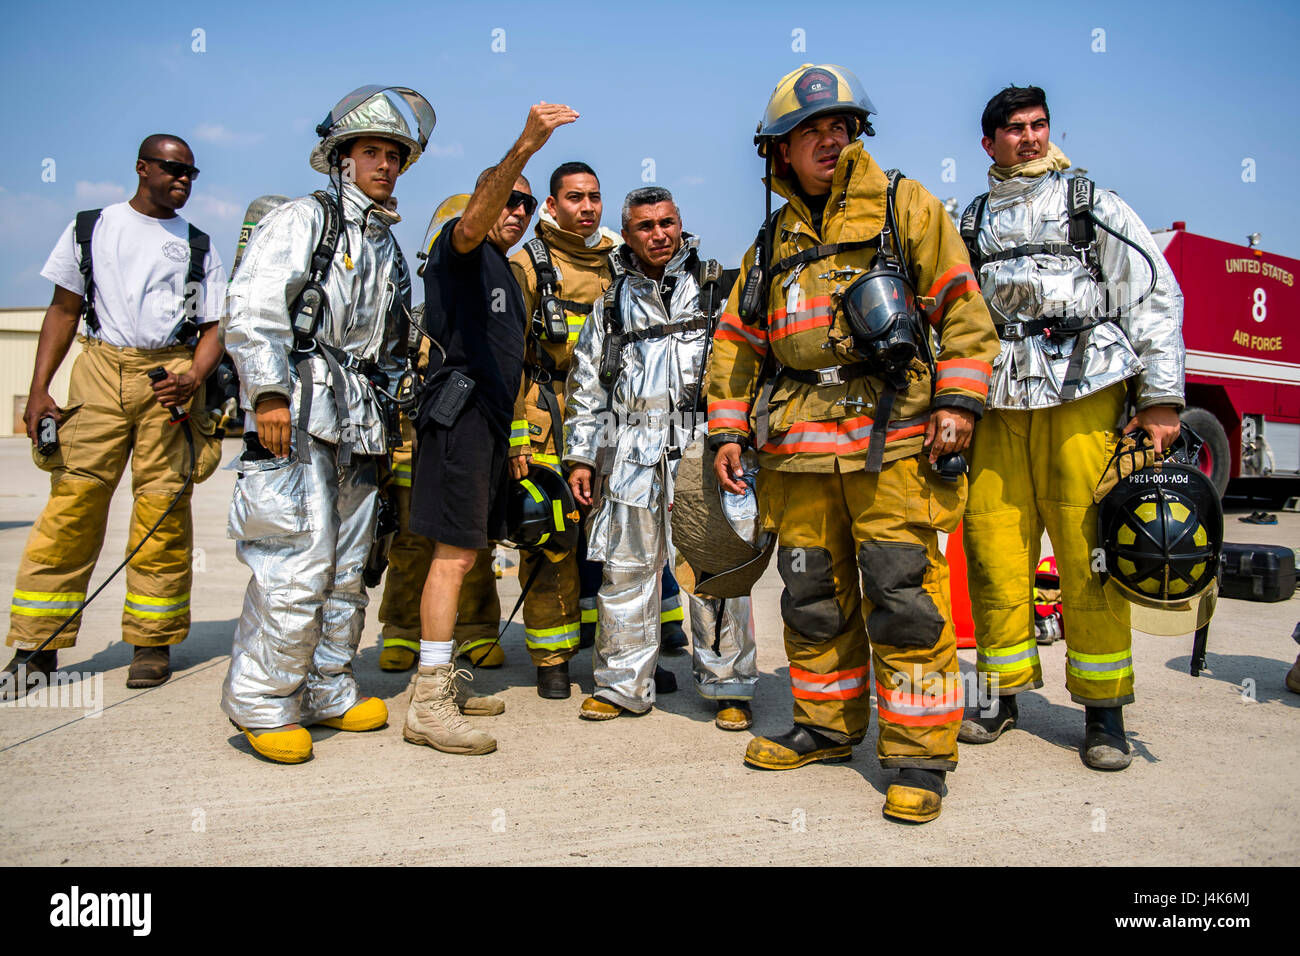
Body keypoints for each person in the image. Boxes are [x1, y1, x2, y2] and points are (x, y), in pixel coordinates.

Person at [707, 64, 999, 823]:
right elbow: (737, 340)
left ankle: (920, 754)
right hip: (799, 458)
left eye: (841, 127)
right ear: (778, 151)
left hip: (893, 445)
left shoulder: (904, 208)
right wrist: (728, 425)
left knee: (905, 602)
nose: (830, 140)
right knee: (810, 598)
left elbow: (964, 310)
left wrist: (959, 402)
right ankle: (825, 726)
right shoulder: (772, 240)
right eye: (812, 131)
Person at [957, 85, 1185, 770]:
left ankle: (1103, 712)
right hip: (997, 404)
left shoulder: (1093, 204)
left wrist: (1161, 399)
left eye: (1038, 125)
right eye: (1014, 129)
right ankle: (999, 697)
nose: (1028, 138)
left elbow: (1151, 293)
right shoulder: (967, 222)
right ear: (988, 142)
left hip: (1086, 391)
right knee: (993, 548)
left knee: (1092, 551)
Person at [221, 86, 433, 763]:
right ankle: (262, 701)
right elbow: (253, 309)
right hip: (302, 411)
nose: (385, 165)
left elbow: (395, 341)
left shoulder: (386, 245)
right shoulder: (302, 220)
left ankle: (328, 688)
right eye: (372, 152)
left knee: (346, 569)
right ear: (341, 158)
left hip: (362, 421)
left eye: (394, 155)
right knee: (295, 563)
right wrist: (269, 396)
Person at [4, 134, 226, 698]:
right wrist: (38, 391)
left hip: (168, 380)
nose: (183, 179)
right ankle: (36, 647)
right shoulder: (91, 228)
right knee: (73, 504)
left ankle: (151, 643)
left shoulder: (198, 245)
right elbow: (64, 308)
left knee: (163, 509)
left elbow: (213, 329)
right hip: (99, 369)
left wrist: (193, 378)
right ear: (141, 167)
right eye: (173, 168)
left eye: (191, 173)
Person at [403, 102, 578, 756]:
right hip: (457, 423)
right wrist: (526, 147)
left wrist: (511, 445)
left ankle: (442, 683)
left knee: (468, 553)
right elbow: (478, 215)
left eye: (528, 208)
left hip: (488, 431)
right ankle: (426, 704)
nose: (518, 212)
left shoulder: (504, 269)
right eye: (509, 200)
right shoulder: (461, 249)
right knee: (451, 557)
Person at [566, 187, 759, 728]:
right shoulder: (608, 306)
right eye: (646, 226)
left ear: (680, 224)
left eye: (667, 222)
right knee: (624, 574)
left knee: (715, 570)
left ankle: (731, 687)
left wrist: (736, 438)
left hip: (704, 447)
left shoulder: (716, 288)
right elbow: (586, 388)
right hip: (630, 450)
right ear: (627, 235)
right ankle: (622, 685)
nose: (659, 234)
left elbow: (744, 368)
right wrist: (581, 458)